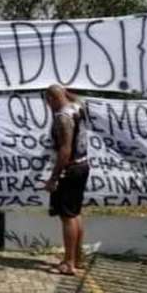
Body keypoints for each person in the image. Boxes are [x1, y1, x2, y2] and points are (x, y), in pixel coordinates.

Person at [44, 85, 88, 276]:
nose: (49, 107)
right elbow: (78, 99)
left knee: (67, 216)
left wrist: (53, 178)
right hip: (82, 165)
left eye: (49, 102)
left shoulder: (63, 118)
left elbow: (65, 149)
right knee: (75, 213)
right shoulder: (77, 108)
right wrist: (64, 91)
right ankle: (76, 258)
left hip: (69, 169)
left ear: (52, 99)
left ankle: (69, 263)